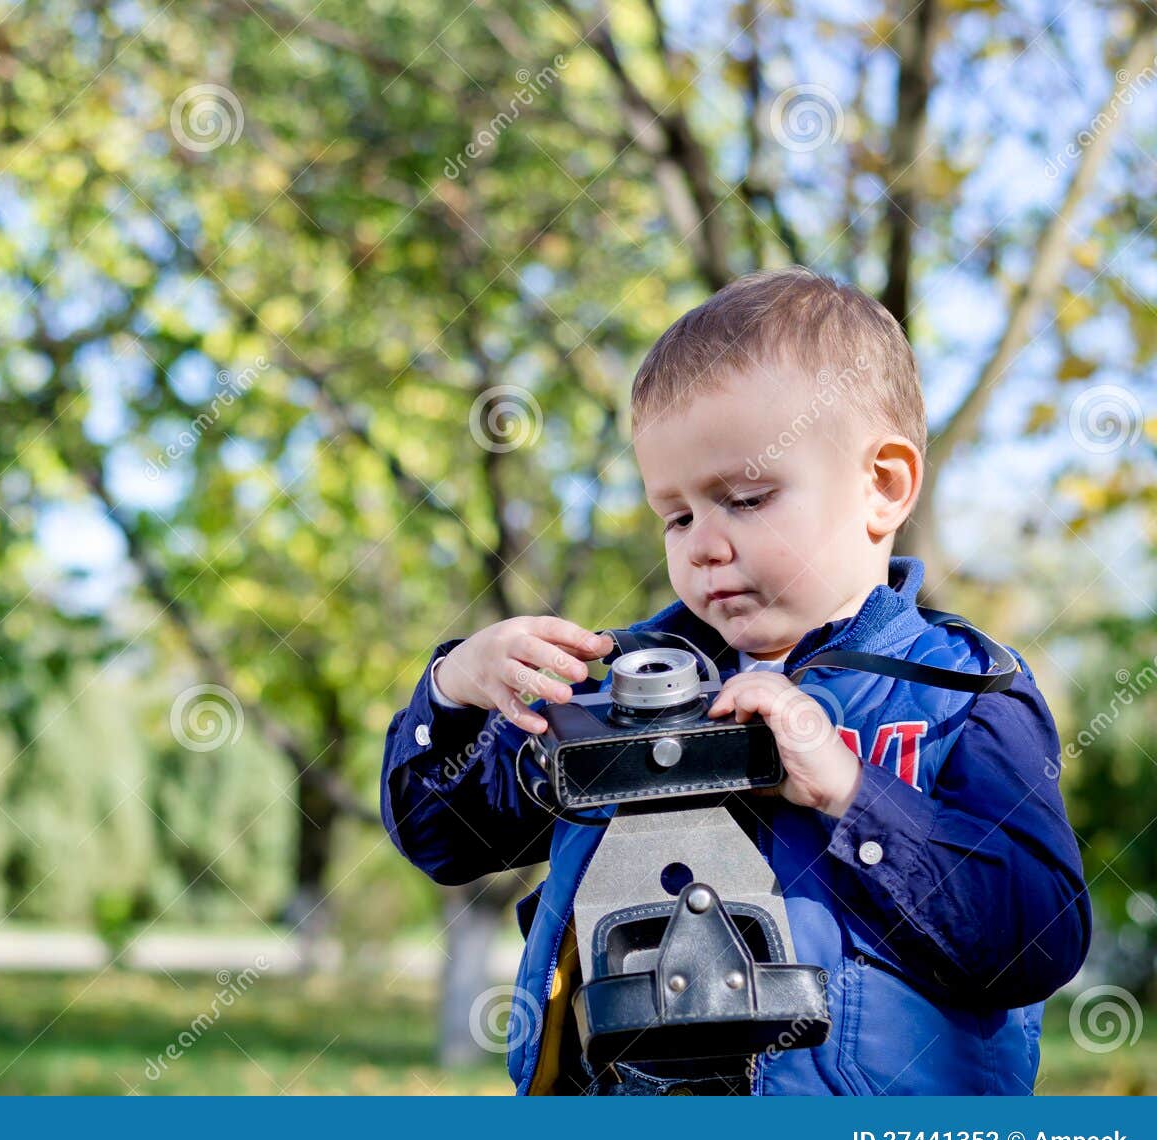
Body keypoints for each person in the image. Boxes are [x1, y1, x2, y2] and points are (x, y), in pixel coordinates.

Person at [380, 266, 1090, 1095]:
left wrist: (849, 790)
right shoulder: (617, 696)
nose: (702, 545)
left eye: (746, 499)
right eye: (676, 516)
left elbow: (1036, 937)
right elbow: (447, 838)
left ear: (883, 486)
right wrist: (455, 691)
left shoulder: (959, 694)